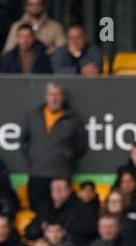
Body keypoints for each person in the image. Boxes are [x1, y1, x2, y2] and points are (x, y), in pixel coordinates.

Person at [19, 82, 86, 217]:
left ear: (62, 98)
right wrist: (33, 156)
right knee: (37, 214)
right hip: (37, 174)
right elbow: (23, 140)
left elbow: (81, 144)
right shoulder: (33, 116)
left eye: (57, 95)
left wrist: (66, 156)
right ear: (46, 97)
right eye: (51, 95)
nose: (54, 98)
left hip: (61, 174)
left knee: (61, 213)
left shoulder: (73, 119)